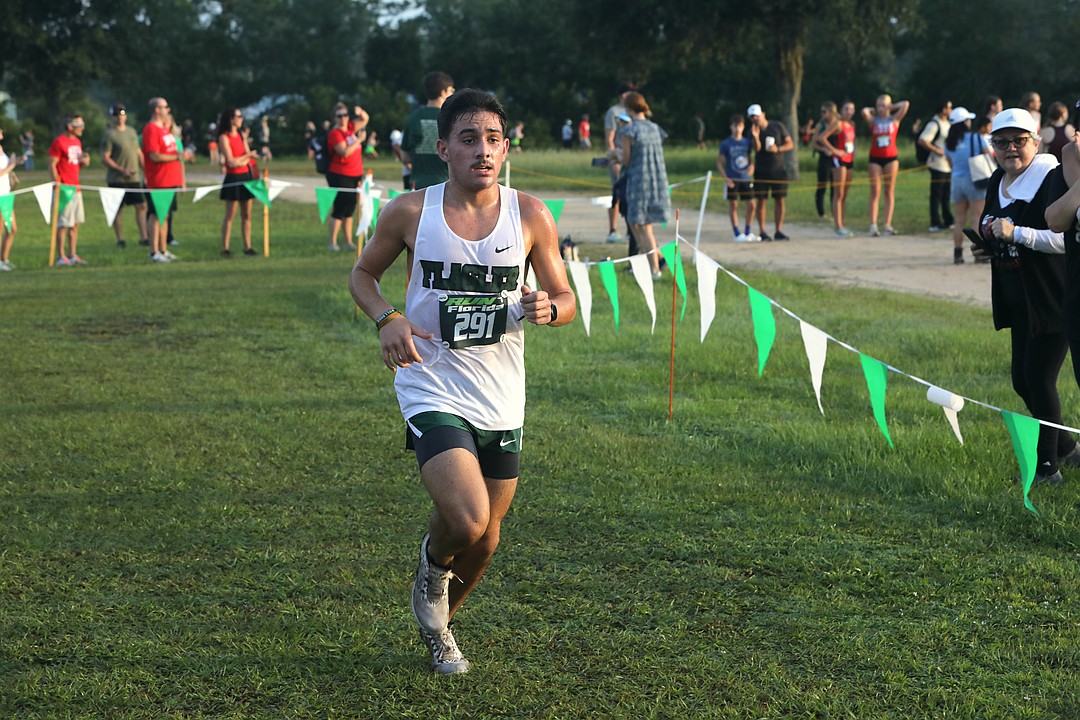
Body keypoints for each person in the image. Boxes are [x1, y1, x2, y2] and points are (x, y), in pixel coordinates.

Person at [348, 88, 576, 674]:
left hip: (501, 390)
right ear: (443, 148)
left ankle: (440, 626)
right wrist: (387, 319)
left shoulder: (530, 215)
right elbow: (363, 276)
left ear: (506, 149)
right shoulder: (408, 212)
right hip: (431, 381)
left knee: (487, 539)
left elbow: (567, 296)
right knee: (468, 517)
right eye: (469, 139)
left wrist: (550, 307)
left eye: (494, 140)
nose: (483, 150)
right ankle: (432, 563)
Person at [972, 108, 1077, 484]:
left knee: (1038, 378)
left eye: (1019, 141)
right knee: (1021, 380)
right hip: (1017, 296)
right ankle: (1067, 447)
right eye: (1002, 142)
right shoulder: (997, 179)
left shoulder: (1052, 176)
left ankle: (1047, 466)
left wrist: (1015, 233)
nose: (1011, 149)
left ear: (1036, 141)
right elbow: (992, 224)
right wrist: (987, 242)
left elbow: (1064, 239)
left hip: (1051, 295)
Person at [621, 91, 671, 277]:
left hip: (638, 180)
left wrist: (614, 156)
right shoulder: (655, 128)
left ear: (628, 109)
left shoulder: (629, 130)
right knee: (636, 224)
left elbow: (626, 160)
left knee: (642, 225)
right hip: (656, 180)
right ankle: (656, 259)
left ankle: (654, 270)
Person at [944, 107, 991, 265]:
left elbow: (950, 163)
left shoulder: (949, 142)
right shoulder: (976, 138)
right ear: (965, 122)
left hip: (957, 181)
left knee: (959, 220)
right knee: (977, 217)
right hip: (975, 180)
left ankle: (958, 253)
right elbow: (988, 155)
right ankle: (979, 253)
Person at [142, 97, 184, 263]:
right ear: (157, 110)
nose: (168, 110)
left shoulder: (165, 130)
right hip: (158, 180)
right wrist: (176, 156)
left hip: (169, 180)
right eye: (165, 107)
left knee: (165, 216)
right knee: (155, 215)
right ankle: (154, 251)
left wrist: (181, 157)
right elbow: (154, 155)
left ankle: (163, 249)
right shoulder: (151, 129)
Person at [101, 103, 148, 249]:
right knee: (117, 209)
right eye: (116, 115)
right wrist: (121, 170)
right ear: (111, 117)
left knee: (141, 206)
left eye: (121, 114)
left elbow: (139, 153)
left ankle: (144, 237)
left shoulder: (132, 132)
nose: (119, 117)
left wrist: (145, 171)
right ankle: (120, 239)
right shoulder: (109, 134)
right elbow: (105, 157)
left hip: (133, 178)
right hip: (117, 179)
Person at [861, 94, 909, 236]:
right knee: (875, 192)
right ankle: (873, 225)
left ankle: (887, 224)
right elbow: (864, 111)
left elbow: (905, 104)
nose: (880, 108)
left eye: (883, 105)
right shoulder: (874, 121)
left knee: (889, 191)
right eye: (878, 105)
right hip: (875, 158)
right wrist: (873, 110)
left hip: (891, 158)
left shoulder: (894, 120)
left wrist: (892, 107)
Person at [325, 101, 369, 251]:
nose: (343, 118)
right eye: (339, 116)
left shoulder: (350, 127)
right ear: (334, 118)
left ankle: (348, 241)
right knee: (340, 206)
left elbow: (365, 119)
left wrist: (360, 111)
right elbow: (344, 152)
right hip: (339, 173)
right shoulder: (335, 134)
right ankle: (332, 242)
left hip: (355, 173)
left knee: (350, 207)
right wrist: (359, 140)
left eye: (345, 115)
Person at [747, 103, 794, 241]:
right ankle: (763, 231)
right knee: (762, 200)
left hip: (778, 169)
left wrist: (777, 149)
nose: (755, 119)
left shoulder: (777, 126)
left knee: (779, 199)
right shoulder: (752, 131)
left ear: (763, 114)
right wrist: (756, 137)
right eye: (752, 118)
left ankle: (778, 230)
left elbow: (790, 144)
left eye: (756, 116)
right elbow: (756, 149)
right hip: (761, 170)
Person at [49, 115, 91, 266]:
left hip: (76, 187)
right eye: (80, 124)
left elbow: (74, 163)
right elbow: (53, 164)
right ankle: (61, 257)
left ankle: (72, 254)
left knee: (75, 223)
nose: (82, 127)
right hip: (64, 188)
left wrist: (84, 162)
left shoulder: (77, 142)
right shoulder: (59, 142)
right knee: (63, 223)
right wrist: (57, 183)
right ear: (70, 126)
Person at [401, 71, 455, 190]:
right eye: (451, 91)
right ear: (443, 92)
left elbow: (404, 155)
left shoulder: (413, 117)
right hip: (445, 184)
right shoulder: (451, 119)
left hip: (417, 185)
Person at [218, 107, 258, 257]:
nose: (241, 119)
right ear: (231, 119)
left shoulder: (241, 135)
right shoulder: (224, 137)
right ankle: (225, 247)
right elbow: (231, 161)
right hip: (233, 177)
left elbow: (246, 156)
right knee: (230, 215)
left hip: (246, 176)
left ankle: (248, 246)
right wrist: (245, 158)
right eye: (238, 116)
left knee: (247, 215)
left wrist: (244, 158)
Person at [814, 101, 857, 237]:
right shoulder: (837, 124)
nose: (849, 112)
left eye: (851, 109)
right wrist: (834, 151)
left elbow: (852, 142)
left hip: (849, 159)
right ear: (840, 110)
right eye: (846, 109)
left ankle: (842, 222)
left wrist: (853, 154)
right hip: (839, 160)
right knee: (838, 193)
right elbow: (822, 138)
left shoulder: (851, 125)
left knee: (844, 193)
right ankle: (838, 226)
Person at [603, 82, 636, 243]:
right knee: (616, 193)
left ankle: (632, 229)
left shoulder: (634, 111)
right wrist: (614, 157)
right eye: (624, 93)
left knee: (631, 195)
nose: (626, 96)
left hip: (633, 158)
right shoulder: (613, 112)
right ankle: (613, 230)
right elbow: (610, 137)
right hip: (619, 157)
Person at [717, 113, 756, 242]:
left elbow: (750, 159)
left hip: (745, 178)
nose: (737, 129)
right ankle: (736, 233)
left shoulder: (747, 143)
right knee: (733, 205)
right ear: (731, 127)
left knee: (751, 204)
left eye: (739, 126)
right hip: (732, 178)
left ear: (743, 127)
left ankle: (747, 231)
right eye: (735, 126)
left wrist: (751, 167)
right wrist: (725, 178)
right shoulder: (726, 144)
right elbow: (719, 163)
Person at [918, 99, 955, 233]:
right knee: (936, 194)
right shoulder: (934, 123)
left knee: (946, 193)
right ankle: (935, 221)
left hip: (947, 164)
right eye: (948, 108)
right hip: (937, 163)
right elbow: (923, 140)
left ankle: (947, 219)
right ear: (943, 109)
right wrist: (937, 150)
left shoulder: (947, 123)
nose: (950, 110)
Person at [0, 124, 21, 272]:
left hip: (6, 194)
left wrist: (15, 161)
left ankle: (4, 259)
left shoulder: (1, 149)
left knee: (12, 229)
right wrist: (11, 166)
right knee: (1, 228)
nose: (1, 131)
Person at [810, 103, 833, 222]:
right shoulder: (820, 126)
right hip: (824, 158)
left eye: (825, 111)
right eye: (822, 112)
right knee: (822, 186)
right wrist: (823, 149)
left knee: (835, 187)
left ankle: (835, 211)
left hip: (836, 159)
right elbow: (814, 142)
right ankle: (821, 213)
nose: (822, 114)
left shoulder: (837, 124)